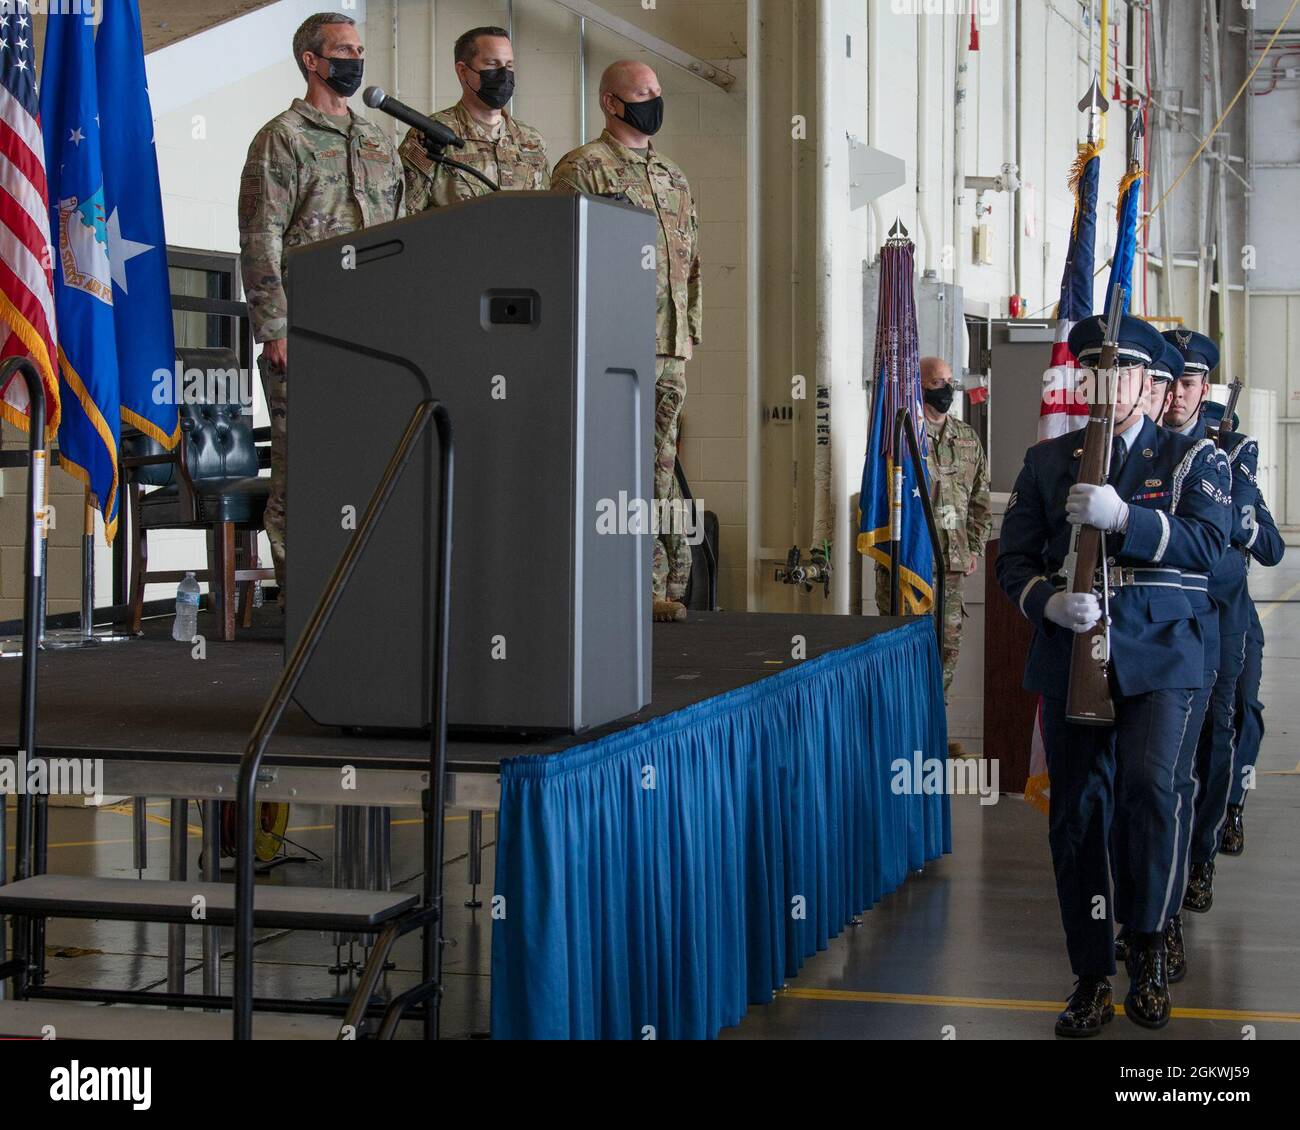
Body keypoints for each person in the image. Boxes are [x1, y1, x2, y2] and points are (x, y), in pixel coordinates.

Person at [997, 314, 1229, 1036]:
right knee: (1077, 816)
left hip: (1162, 654)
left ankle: (1151, 945)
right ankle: (1092, 973)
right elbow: (1015, 559)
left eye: (1123, 373)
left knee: (1150, 792)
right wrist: (1048, 603)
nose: (1109, 386)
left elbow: (1212, 549)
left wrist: (1127, 516)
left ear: (1146, 384)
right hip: (1073, 654)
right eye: (1096, 372)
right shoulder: (1047, 461)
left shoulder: (1192, 460)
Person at [238, 12, 405, 601]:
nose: (356, 60)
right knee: (304, 468)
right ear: (312, 60)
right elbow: (261, 238)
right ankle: (303, 598)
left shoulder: (378, 139)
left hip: (376, 335)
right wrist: (274, 329)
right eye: (343, 51)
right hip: (307, 332)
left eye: (360, 49)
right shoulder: (282, 137)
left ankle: (363, 598)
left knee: (370, 464)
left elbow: (400, 236)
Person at [551, 61, 701, 623]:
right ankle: (625, 589)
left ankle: (663, 583)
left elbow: (692, 261)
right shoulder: (582, 169)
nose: (654, 102)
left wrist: (690, 332)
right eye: (643, 94)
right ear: (611, 103)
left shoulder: (672, 174)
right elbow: (562, 257)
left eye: (658, 93)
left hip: (670, 346)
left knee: (660, 469)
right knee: (617, 470)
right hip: (612, 347)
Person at [1159, 331, 1275, 914]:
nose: (1176, 394)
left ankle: (1200, 855)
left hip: (1222, 615)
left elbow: (1262, 540)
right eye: (1168, 379)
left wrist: (1239, 522)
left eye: (1187, 382)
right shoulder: (1140, 453)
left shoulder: (1230, 452)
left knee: (1219, 733)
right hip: (1160, 622)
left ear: (1204, 389)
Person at [873, 357, 990, 749]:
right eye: (938, 381)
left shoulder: (968, 439)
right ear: (918, 385)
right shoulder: (900, 437)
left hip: (952, 567)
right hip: (910, 566)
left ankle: (931, 739)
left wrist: (973, 546)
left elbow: (980, 500)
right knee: (902, 655)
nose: (947, 388)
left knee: (945, 655)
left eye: (949, 380)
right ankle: (898, 740)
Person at [398, 26, 549, 210]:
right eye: (492, 64)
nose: (503, 75)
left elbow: (545, 213)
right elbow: (404, 218)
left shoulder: (531, 140)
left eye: (509, 65)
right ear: (462, 71)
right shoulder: (430, 137)